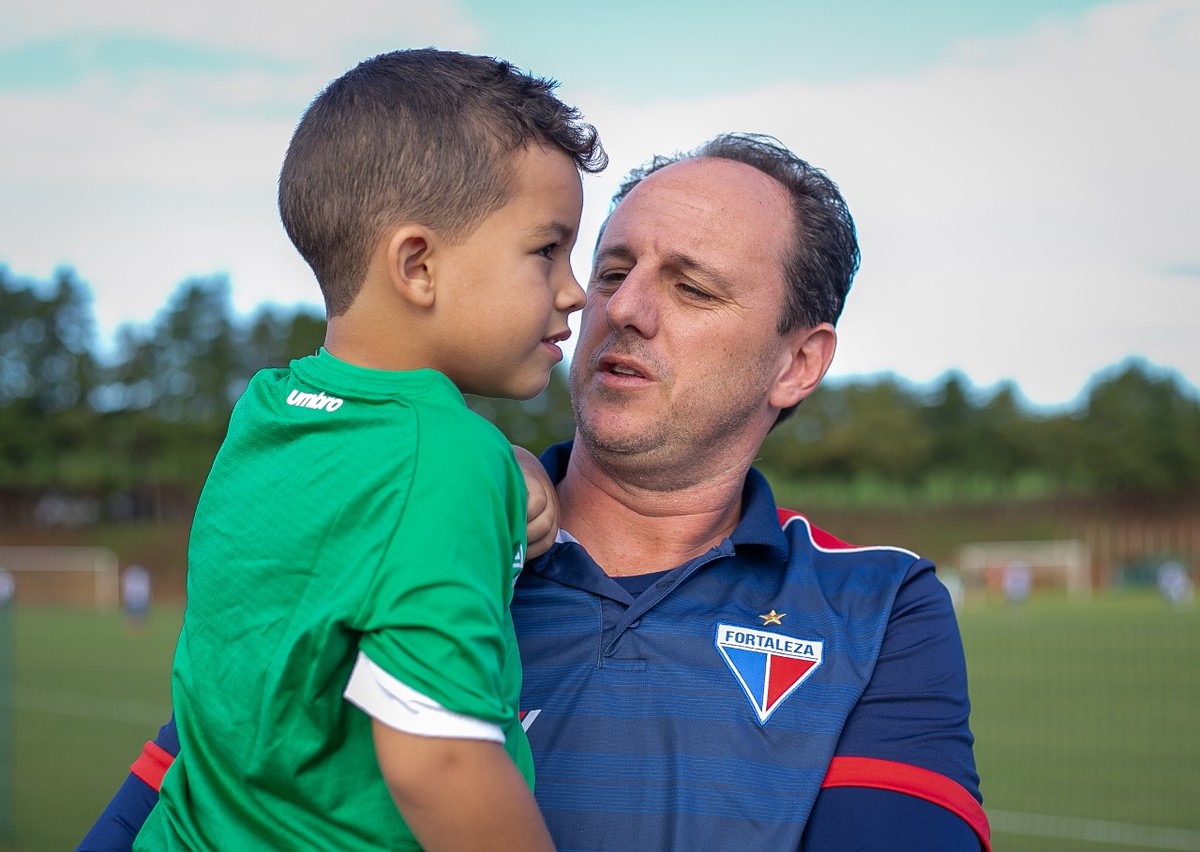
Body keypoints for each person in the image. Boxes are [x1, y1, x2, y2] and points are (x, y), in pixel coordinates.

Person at [82, 133, 989, 850]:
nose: (623, 309)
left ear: (798, 362)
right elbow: (191, 800)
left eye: (693, 288)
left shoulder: (879, 607)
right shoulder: (406, 517)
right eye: (612, 269)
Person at [109, 47, 605, 852]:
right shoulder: (445, 460)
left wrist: (500, 474)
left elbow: (351, 528)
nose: (576, 290)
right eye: (546, 250)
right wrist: (477, 465)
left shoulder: (268, 410)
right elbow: (437, 763)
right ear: (418, 266)